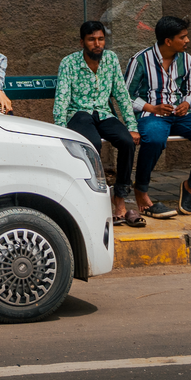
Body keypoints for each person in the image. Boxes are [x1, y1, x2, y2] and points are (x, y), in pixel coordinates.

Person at [53, 21, 143, 226]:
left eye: (100, 39)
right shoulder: (69, 62)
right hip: (79, 113)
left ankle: (119, 198)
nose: (97, 43)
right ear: (82, 42)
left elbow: (121, 94)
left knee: (127, 142)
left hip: (103, 113)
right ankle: (96, 197)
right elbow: (62, 97)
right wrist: (60, 127)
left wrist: (132, 126)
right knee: (92, 144)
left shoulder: (111, 59)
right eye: (91, 39)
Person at [126, 16, 191, 218]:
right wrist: (151, 108)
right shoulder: (140, 60)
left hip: (180, 115)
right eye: (183, 37)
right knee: (154, 139)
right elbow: (126, 95)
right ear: (168, 41)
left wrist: (186, 104)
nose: (187, 40)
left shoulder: (186, 59)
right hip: (151, 114)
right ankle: (141, 190)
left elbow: (189, 91)